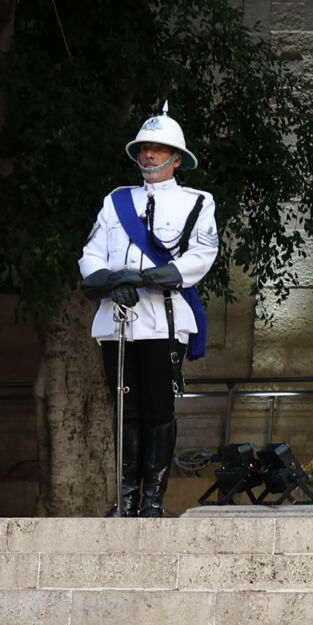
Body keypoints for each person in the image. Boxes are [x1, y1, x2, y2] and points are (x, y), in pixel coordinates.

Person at [77, 108, 219, 516]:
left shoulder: (197, 202)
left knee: (158, 411)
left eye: (159, 149)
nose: (150, 156)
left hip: (163, 319)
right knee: (125, 412)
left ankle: (152, 502)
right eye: (145, 148)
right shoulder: (116, 201)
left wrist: (153, 277)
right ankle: (124, 502)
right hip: (116, 321)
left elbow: (202, 254)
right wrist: (109, 281)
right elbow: (90, 254)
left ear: (177, 158)